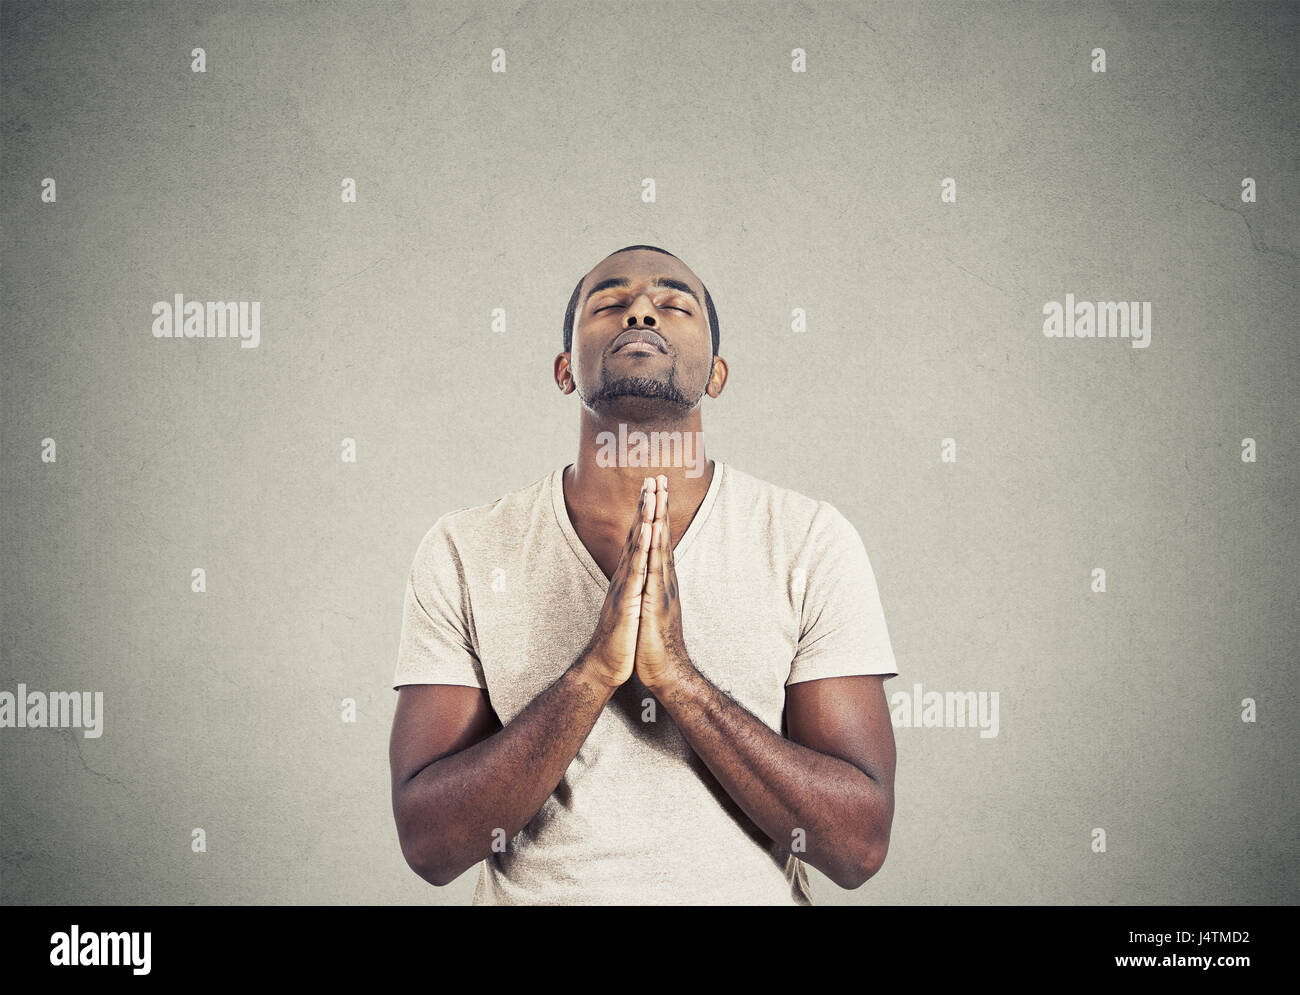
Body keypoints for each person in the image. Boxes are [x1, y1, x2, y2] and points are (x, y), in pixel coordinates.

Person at [388, 244, 899, 904]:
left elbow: (856, 848)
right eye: (609, 303)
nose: (641, 313)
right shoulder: (464, 548)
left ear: (717, 374)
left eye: (672, 304)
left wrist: (679, 680)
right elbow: (431, 846)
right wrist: (595, 672)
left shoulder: (810, 540)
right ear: (564, 369)